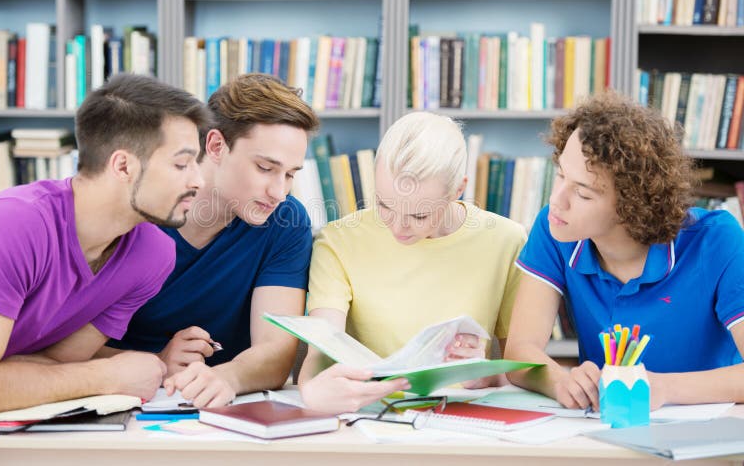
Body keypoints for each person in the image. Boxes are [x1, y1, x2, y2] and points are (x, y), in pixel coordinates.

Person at [0, 74, 209, 420]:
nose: (198, 180)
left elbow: (55, 364)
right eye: (181, 164)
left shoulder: (152, 255)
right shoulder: (10, 226)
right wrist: (108, 375)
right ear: (123, 166)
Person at [505, 90, 744, 411]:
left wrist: (663, 388)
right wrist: (560, 381)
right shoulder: (555, 227)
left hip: (706, 431)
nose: (556, 200)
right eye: (561, 174)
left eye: (583, 193)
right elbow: (520, 350)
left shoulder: (716, 240)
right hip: (608, 427)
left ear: (632, 206)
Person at [103, 73, 320, 408]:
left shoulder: (286, 221)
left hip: (225, 408)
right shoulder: (135, 214)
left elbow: (276, 353)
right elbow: (65, 353)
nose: (279, 191)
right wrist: (158, 362)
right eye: (265, 168)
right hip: (123, 403)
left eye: (290, 174)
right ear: (216, 146)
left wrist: (227, 378)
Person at [298, 112, 527, 413]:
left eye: (418, 215)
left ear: (458, 190)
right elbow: (321, 354)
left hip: (463, 419)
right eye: (384, 205)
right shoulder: (338, 241)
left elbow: (523, 371)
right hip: (370, 416)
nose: (397, 227)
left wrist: (483, 374)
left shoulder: (506, 241)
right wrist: (313, 390)